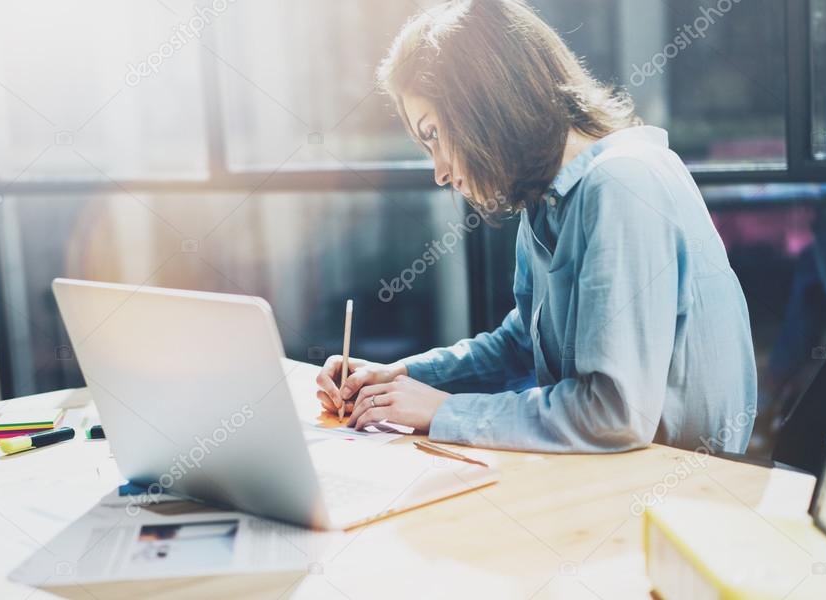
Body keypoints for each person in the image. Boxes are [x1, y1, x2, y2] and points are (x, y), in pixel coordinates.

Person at [315, 0, 757, 453]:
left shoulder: (622, 185)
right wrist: (402, 378)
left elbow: (616, 414)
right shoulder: (548, 198)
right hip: (617, 477)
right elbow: (523, 343)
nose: (440, 173)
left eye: (433, 136)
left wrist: (444, 411)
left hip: (677, 497)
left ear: (485, 102)